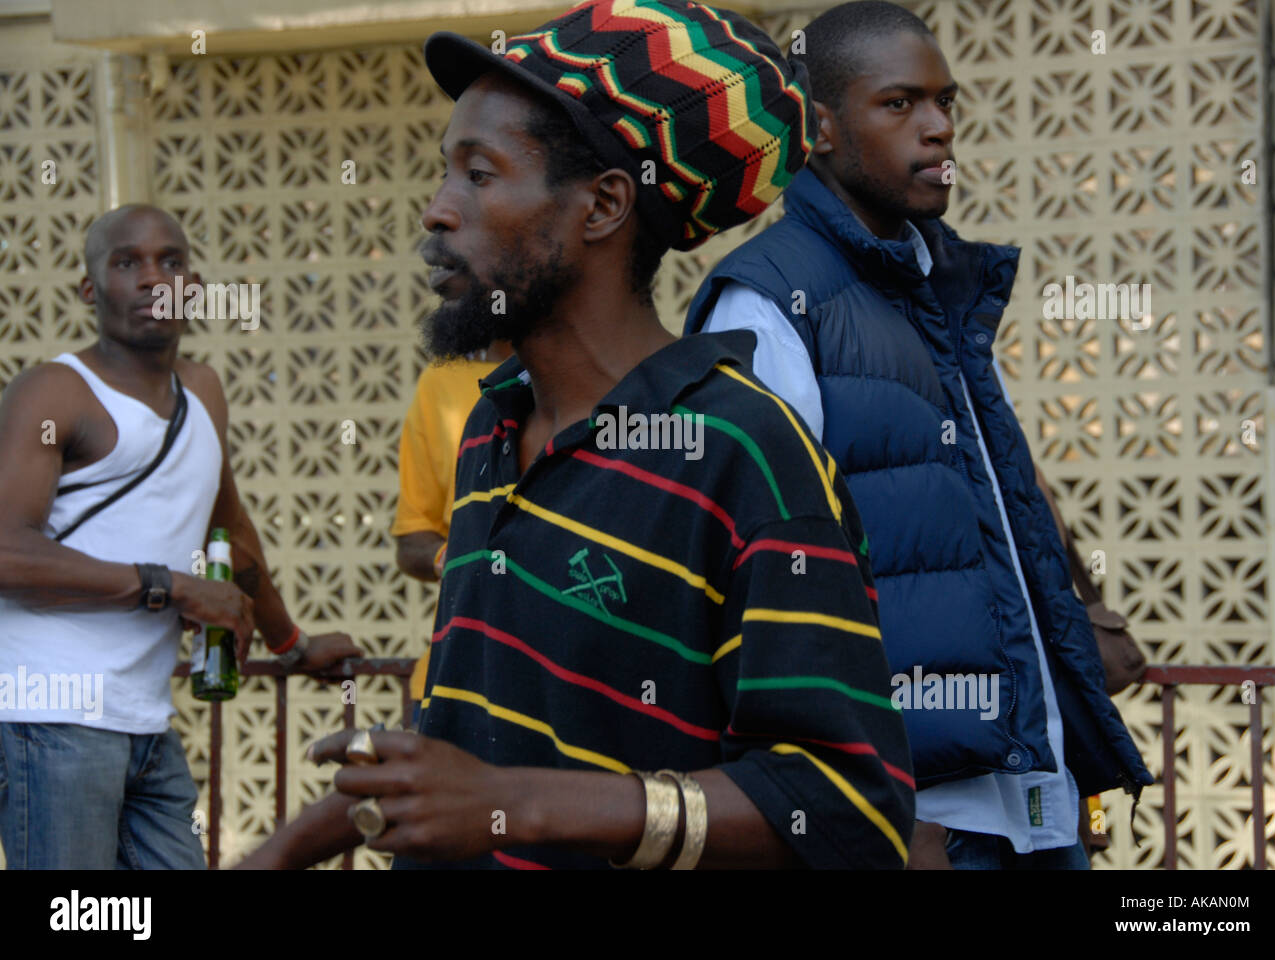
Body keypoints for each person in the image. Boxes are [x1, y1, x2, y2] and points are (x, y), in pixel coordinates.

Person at [237, 0, 913, 870]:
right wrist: (282, 850)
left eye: (478, 175)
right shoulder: (494, 422)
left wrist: (513, 807)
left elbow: (847, 808)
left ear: (601, 207)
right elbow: (479, 726)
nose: (437, 213)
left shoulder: (745, 455)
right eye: (446, 174)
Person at [685, 1, 1152, 869]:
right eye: (900, 105)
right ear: (818, 127)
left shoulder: (943, 285)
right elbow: (764, 580)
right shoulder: (768, 300)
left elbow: (1006, 488)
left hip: (1032, 800)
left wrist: (1081, 612)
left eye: (946, 102)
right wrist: (876, 817)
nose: (938, 129)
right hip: (914, 823)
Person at [0, 204, 360, 869]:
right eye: (126, 262)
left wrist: (291, 644)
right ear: (89, 290)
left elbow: (230, 527)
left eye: (170, 261)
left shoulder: (203, 392)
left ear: (192, 286)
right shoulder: (54, 393)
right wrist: (171, 589)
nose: (151, 278)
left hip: (145, 722)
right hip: (51, 717)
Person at [392, 341, 511, 718]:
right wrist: (457, 559)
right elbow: (412, 541)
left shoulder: (616, 383)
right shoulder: (440, 383)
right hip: (452, 683)